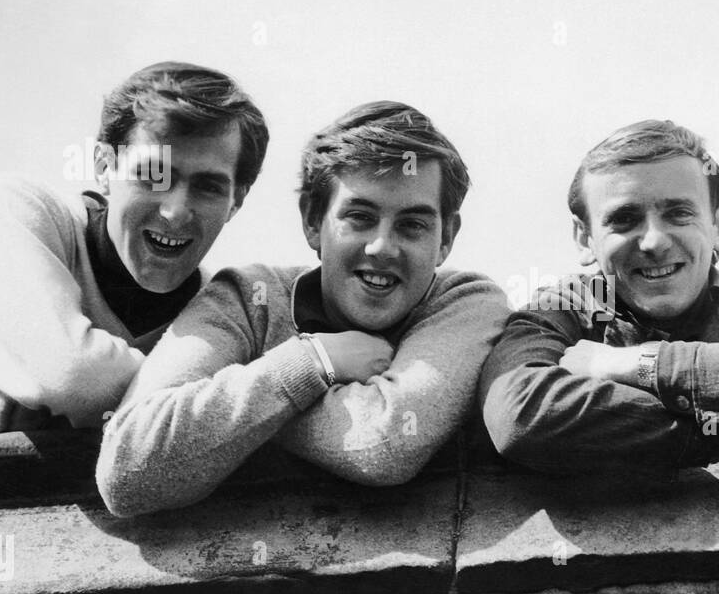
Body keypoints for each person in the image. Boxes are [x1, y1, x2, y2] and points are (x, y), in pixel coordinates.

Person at [96, 101, 509, 516]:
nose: (383, 247)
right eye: (360, 217)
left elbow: (384, 443)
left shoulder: (467, 303)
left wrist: (237, 416)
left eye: (412, 225)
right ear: (313, 220)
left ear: (446, 238)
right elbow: (129, 468)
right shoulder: (247, 298)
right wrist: (312, 362)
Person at [477, 119, 719, 474]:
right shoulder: (559, 309)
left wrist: (634, 365)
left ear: (718, 224)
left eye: (678, 214)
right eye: (624, 220)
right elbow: (522, 415)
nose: (654, 242)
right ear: (585, 238)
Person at [0, 61, 267, 436]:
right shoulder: (16, 210)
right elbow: (71, 377)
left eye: (208, 187)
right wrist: (225, 403)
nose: (175, 212)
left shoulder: (224, 308)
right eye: (153, 176)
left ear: (236, 202)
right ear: (104, 166)